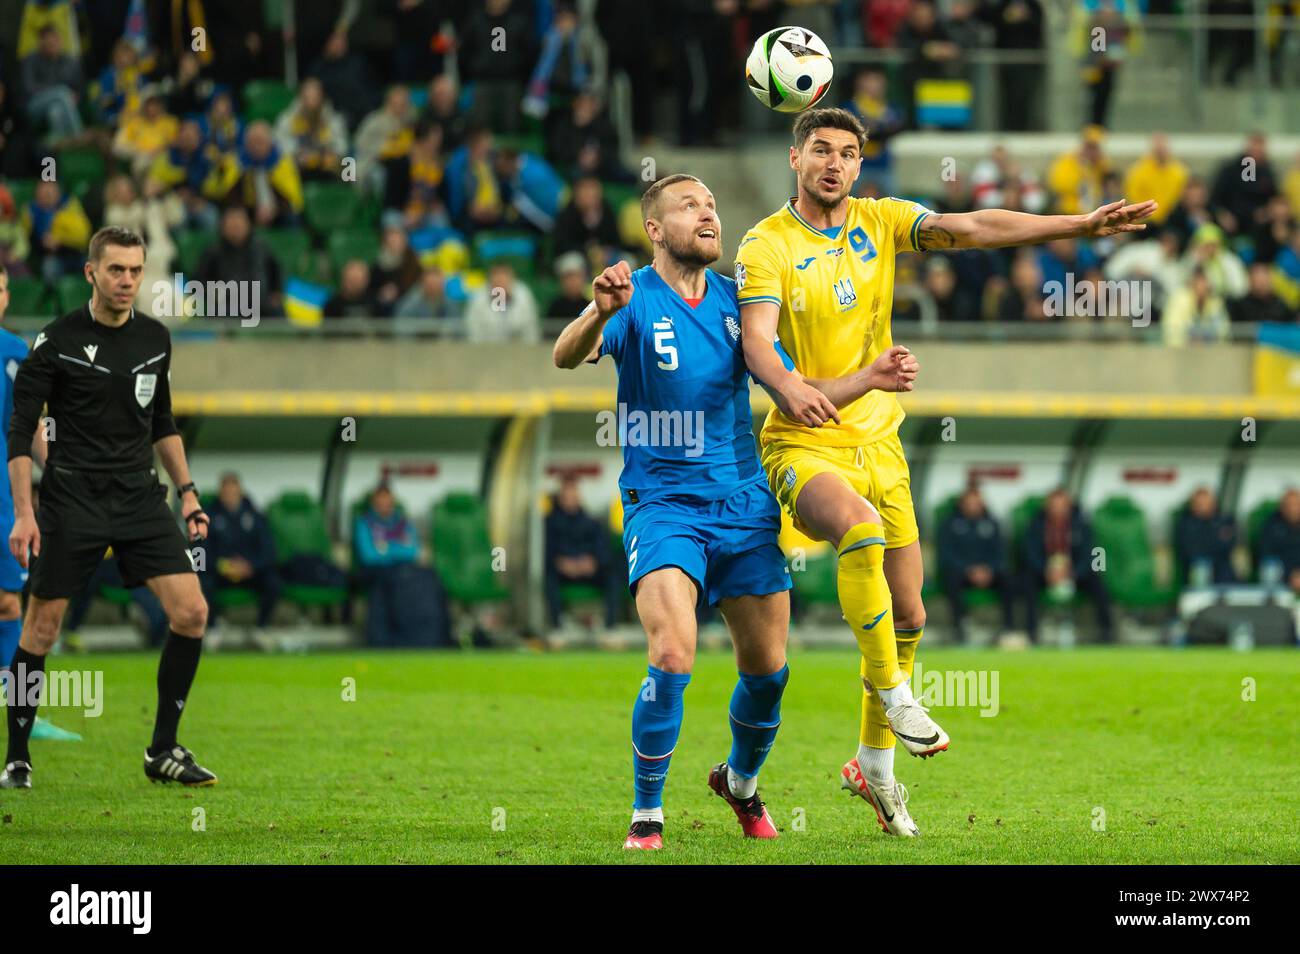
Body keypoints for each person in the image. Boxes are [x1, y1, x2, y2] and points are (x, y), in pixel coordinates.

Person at [735, 107, 1155, 835]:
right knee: (858, 533)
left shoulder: (881, 219)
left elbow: (974, 228)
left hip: (882, 444)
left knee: (912, 615)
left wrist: (1079, 226)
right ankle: (896, 697)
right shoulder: (765, 243)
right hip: (803, 445)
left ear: (861, 166)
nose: (834, 164)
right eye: (821, 151)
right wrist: (787, 384)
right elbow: (758, 341)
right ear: (794, 158)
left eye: (848, 153)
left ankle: (872, 765)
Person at [553, 174, 793, 850]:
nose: (708, 213)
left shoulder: (740, 303)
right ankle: (647, 812)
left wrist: (864, 380)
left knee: (769, 673)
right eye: (690, 206)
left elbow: (787, 380)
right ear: (655, 229)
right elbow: (564, 355)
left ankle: (740, 784)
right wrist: (597, 312)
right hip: (663, 508)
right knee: (672, 653)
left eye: (713, 204)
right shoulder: (631, 298)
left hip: (744, 506)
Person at [2, 226, 216, 789]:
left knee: (192, 614)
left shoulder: (156, 339)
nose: (127, 281)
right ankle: (17, 756)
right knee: (41, 629)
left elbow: (162, 422)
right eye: (116, 270)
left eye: (135, 271)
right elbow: (21, 431)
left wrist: (188, 492)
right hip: (73, 498)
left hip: (140, 496)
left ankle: (163, 751)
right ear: (91, 273)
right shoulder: (54, 342)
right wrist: (25, 513)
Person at [0, 263, 75, 741]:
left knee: (10, 603)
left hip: (5, 496)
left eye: (1, 288)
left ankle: (18, 710)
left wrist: (67, 471)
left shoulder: (14, 352)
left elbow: (31, 424)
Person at [1020, 489, 1114, 643]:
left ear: (1068, 507)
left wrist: (1072, 573)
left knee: (1098, 582)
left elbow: (1091, 553)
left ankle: (1107, 632)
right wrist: (1047, 571)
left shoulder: (1082, 525)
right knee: (1027, 581)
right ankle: (1031, 632)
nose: (1058, 510)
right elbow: (1029, 553)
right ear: (1047, 507)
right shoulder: (1035, 525)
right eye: (1054, 506)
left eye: (1062, 506)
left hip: (1074, 573)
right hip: (1045, 573)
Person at [200, 473, 282, 633]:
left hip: (249, 572)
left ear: (240, 493)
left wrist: (251, 565)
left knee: (273, 582)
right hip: (219, 572)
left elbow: (269, 551)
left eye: (234, 493)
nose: (230, 497)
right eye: (226, 493)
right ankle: (212, 627)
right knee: (201, 582)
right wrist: (221, 566)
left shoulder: (255, 515)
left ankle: (261, 628)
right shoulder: (206, 516)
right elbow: (198, 552)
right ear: (220, 494)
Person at [938, 486, 1017, 642]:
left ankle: (1009, 629)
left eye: (976, 502)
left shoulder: (992, 523)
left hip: (989, 573)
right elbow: (946, 554)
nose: (973, 506)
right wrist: (969, 570)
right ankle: (960, 626)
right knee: (951, 578)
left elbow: (1000, 552)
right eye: (969, 502)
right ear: (962, 503)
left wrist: (988, 569)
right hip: (962, 573)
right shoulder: (950, 524)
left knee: (1008, 579)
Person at [544, 475, 621, 631]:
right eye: (567, 496)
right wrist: (562, 563)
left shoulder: (591, 521)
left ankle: (610, 626)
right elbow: (546, 552)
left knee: (612, 575)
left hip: (589, 571)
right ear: (560, 498)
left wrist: (594, 562)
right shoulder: (549, 523)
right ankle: (558, 627)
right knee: (548, 578)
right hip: (563, 572)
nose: (571, 500)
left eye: (574, 495)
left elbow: (602, 549)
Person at [1174, 487, 1237, 585]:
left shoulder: (1224, 520)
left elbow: (1228, 546)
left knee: (1227, 573)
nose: (1203, 507)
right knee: (1201, 567)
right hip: (1195, 566)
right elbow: (1188, 550)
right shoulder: (1185, 523)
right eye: (1199, 504)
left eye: (1206, 503)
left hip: (1221, 565)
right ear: (1192, 505)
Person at [464, 261, 539, 343]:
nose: (501, 281)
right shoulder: (478, 298)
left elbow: (531, 331)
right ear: (490, 279)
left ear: (511, 279)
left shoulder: (524, 295)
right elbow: (472, 333)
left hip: (518, 351)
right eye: (497, 277)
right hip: (485, 351)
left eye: (504, 277)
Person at [1257, 489, 1300, 593]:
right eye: (1289, 505)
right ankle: (1272, 605)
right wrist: (1290, 573)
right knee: (1270, 569)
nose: (1292, 509)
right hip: (1282, 571)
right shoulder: (1271, 525)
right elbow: (1266, 553)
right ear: (1282, 507)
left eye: (1296, 504)